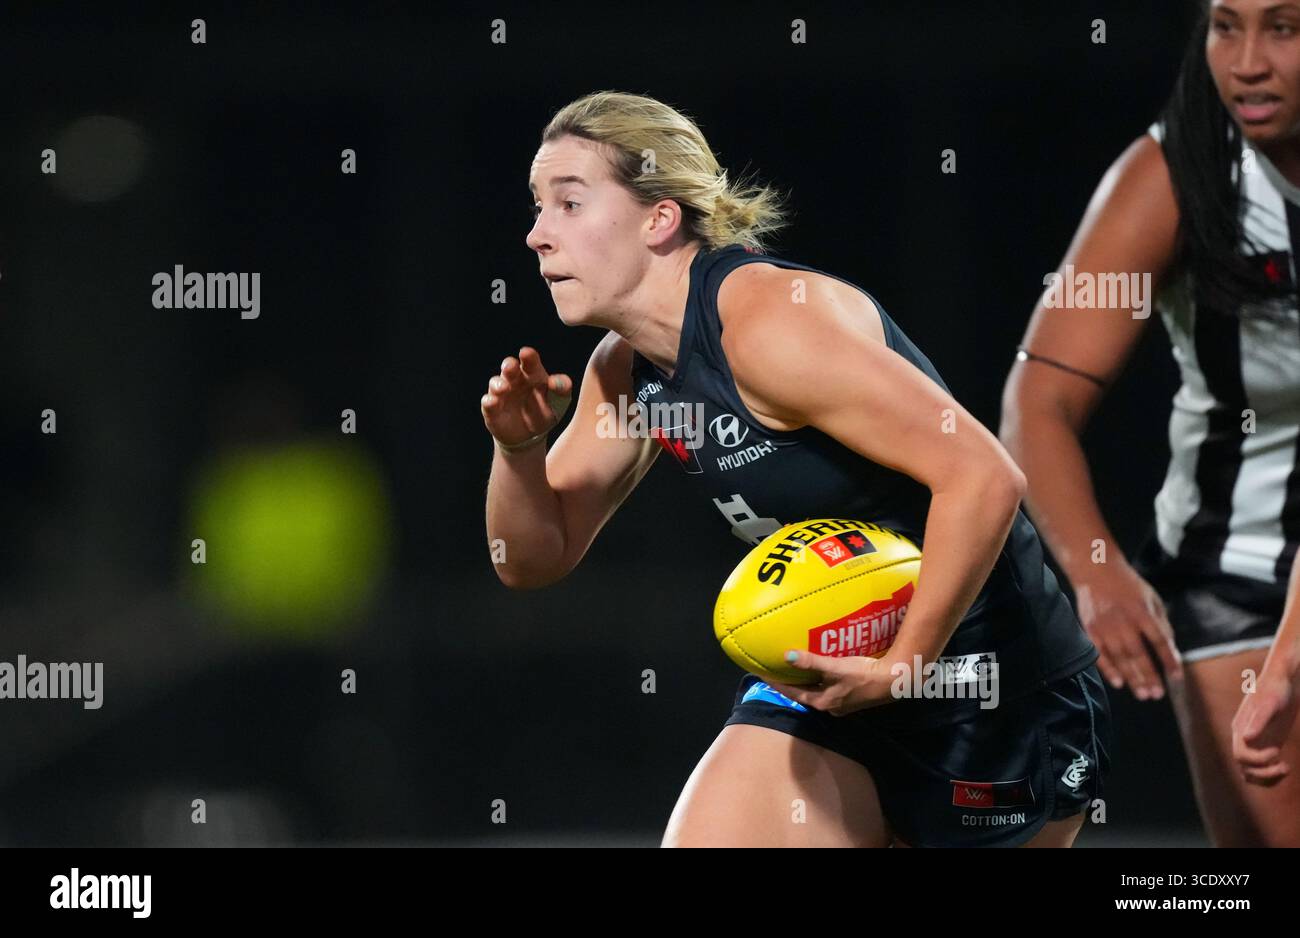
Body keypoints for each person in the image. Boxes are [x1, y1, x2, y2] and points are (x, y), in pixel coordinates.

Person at [484, 90, 1109, 847]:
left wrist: (905, 665)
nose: (536, 235)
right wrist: (519, 451)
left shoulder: (765, 324)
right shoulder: (626, 371)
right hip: (829, 683)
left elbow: (985, 477)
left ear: (660, 217)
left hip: (991, 686)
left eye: (568, 203)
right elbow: (529, 559)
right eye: (537, 206)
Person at [1000, 0, 1300, 847]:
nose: (1244, 62)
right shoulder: (1170, 179)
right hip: (1233, 576)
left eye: (1284, 28)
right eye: (1224, 25)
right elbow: (1039, 398)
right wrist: (1095, 572)